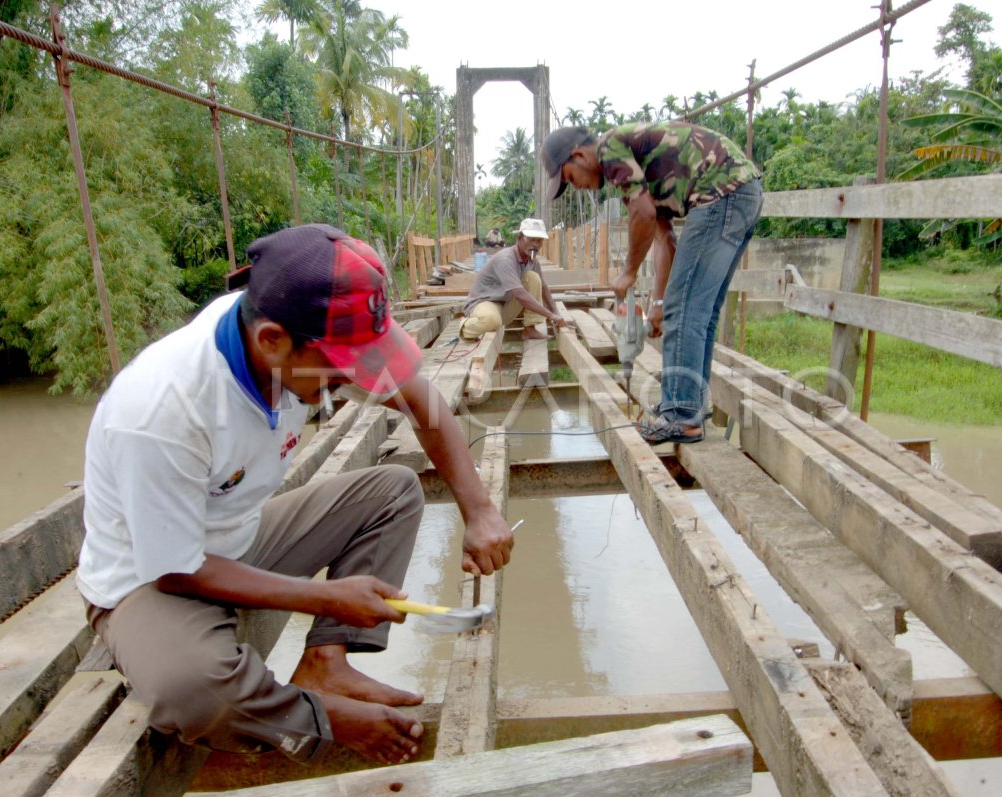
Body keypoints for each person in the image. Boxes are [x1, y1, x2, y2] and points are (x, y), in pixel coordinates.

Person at [76, 223, 515, 766]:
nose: (351, 381)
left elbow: (424, 405)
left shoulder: (292, 339)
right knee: (194, 691)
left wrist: (479, 509)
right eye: (340, 369)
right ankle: (320, 717)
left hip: (237, 538)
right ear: (271, 341)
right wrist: (326, 596)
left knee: (393, 491)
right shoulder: (162, 409)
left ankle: (325, 665)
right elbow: (174, 568)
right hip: (147, 582)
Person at [541, 122, 763, 444]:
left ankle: (680, 415)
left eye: (570, 179)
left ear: (578, 155)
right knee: (700, 311)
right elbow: (663, 237)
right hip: (742, 192)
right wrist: (658, 303)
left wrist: (629, 271)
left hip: (721, 194)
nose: (578, 188)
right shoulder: (638, 169)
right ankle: (692, 405)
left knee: (685, 311)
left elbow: (642, 214)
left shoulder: (608, 148)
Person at [460, 218, 569, 341]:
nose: (535, 244)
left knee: (533, 277)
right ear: (519, 238)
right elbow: (520, 294)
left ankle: (530, 330)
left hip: (505, 304)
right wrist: (550, 315)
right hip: (484, 302)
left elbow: (543, 287)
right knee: (491, 320)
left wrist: (556, 312)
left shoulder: (532, 260)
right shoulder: (506, 259)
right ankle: (465, 328)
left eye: (539, 241)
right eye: (531, 239)